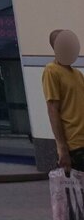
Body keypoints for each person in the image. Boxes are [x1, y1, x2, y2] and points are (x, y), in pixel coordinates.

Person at [43, 28, 84, 174]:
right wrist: (62, 148)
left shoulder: (78, 74)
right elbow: (52, 109)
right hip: (74, 145)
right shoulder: (51, 70)